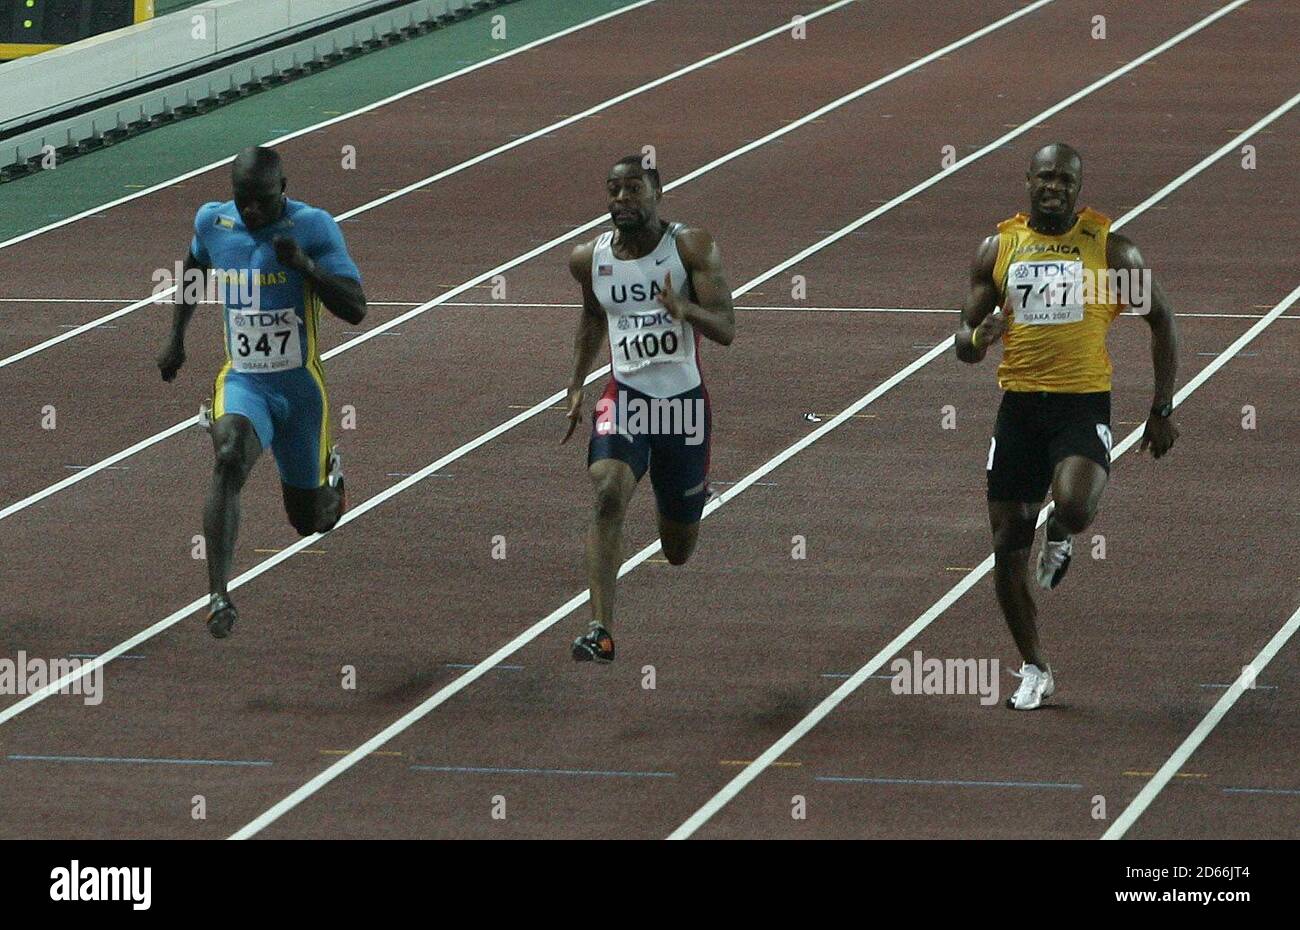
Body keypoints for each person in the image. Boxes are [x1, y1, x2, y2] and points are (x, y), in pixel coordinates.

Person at [955, 142, 1179, 709]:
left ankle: (1059, 529)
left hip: (1081, 404)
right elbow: (966, 334)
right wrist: (972, 341)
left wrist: (1161, 408)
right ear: (1028, 180)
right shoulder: (1000, 248)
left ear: (1079, 190)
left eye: (1066, 180)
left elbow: (1162, 321)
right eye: (1046, 177)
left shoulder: (1109, 252)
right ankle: (1034, 666)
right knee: (1007, 542)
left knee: (1076, 508)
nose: (1054, 186)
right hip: (1020, 409)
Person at [156, 146, 367, 638]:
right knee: (228, 455)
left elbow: (357, 308)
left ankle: (331, 479)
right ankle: (217, 595)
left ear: (284, 188)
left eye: (262, 201)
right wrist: (176, 338)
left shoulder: (313, 227)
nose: (251, 210)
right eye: (242, 199)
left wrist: (307, 269)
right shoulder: (212, 222)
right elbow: (193, 269)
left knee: (310, 522)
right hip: (244, 380)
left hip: (299, 391)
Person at [562, 155, 735, 662]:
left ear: (657, 194)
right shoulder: (588, 258)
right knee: (608, 493)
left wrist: (685, 310)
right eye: (613, 191)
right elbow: (593, 316)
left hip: (682, 407)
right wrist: (575, 383)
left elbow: (726, 327)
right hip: (626, 397)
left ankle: (689, 496)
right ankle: (600, 628)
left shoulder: (689, 247)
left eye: (633, 190)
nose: (621, 200)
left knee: (677, 549)